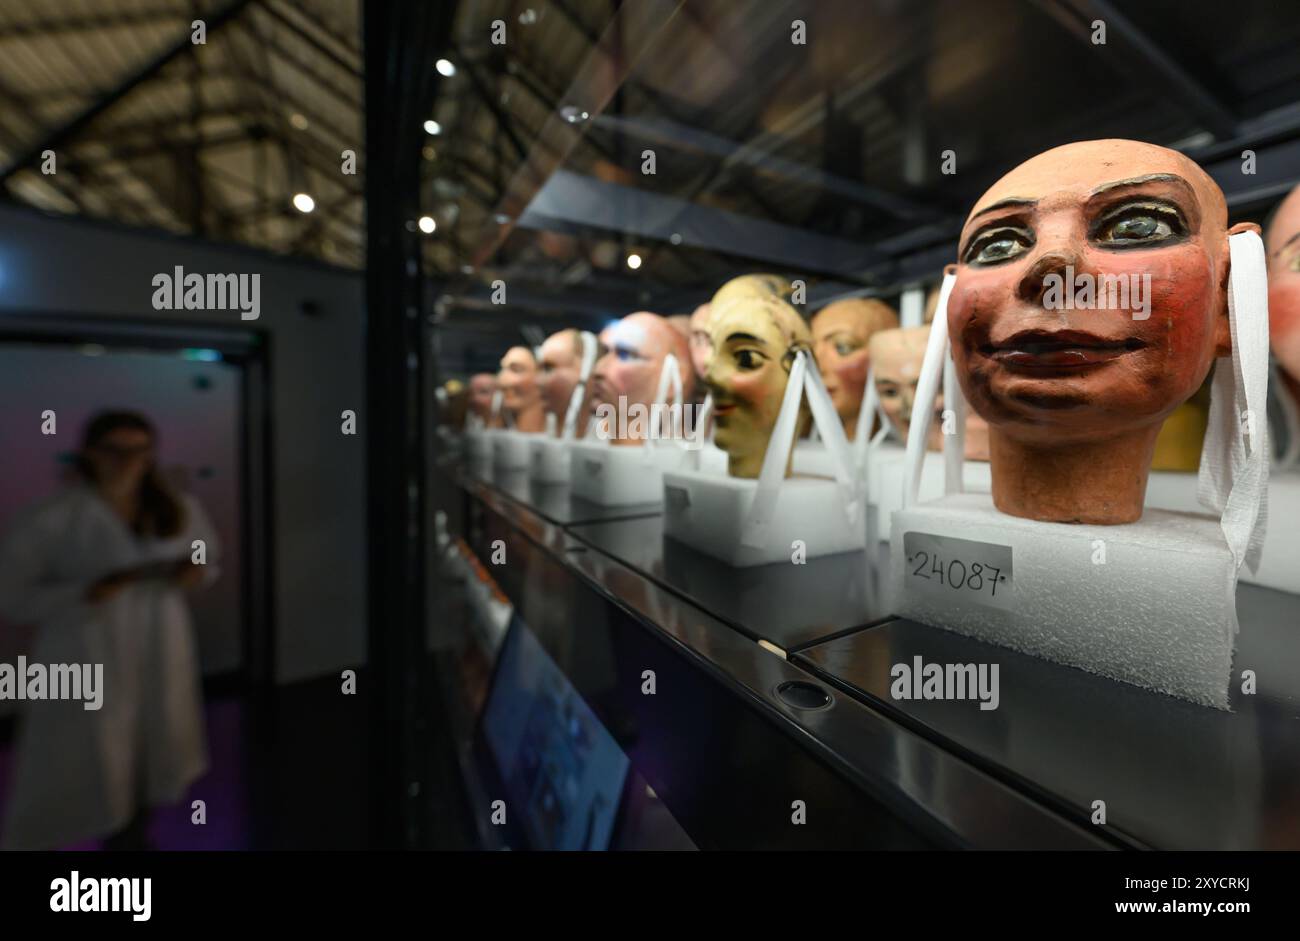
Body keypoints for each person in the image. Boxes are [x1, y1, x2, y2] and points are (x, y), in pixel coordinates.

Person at [0, 411, 218, 850]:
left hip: (159, 642)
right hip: (86, 649)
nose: (127, 462)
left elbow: (205, 553)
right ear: (89, 454)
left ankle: (135, 837)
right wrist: (87, 591)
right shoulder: (52, 518)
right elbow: (11, 596)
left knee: (151, 749)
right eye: (114, 451)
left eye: (139, 452)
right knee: (90, 756)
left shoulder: (177, 508)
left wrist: (196, 572)